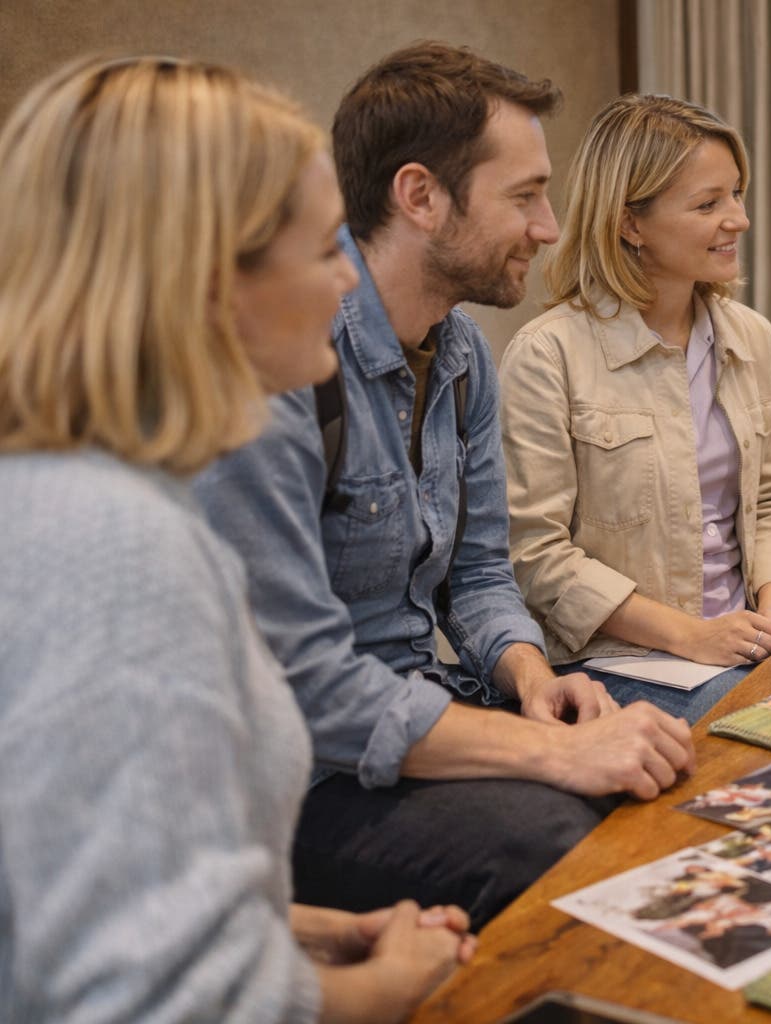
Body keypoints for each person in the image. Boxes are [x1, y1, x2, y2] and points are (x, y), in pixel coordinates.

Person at [0, 55, 472, 1022]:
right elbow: (164, 1002)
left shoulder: (75, 495)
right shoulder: (116, 547)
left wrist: (299, 931)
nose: (348, 277)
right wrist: (382, 988)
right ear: (211, 284)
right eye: (321, 250)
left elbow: (71, 891)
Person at [193, 43, 695, 930]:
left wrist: (533, 679)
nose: (548, 227)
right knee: (560, 841)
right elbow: (306, 688)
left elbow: (481, 573)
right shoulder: (275, 378)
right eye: (525, 195)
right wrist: (545, 754)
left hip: (427, 699)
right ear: (420, 196)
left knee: (678, 758)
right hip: (309, 771)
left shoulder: (463, 357)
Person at [500, 94, 771, 723]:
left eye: (735, 194)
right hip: (622, 657)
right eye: (708, 204)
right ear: (629, 223)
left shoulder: (751, 338)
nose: (739, 220)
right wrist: (693, 636)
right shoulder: (546, 355)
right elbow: (537, 556)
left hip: (748, 631)